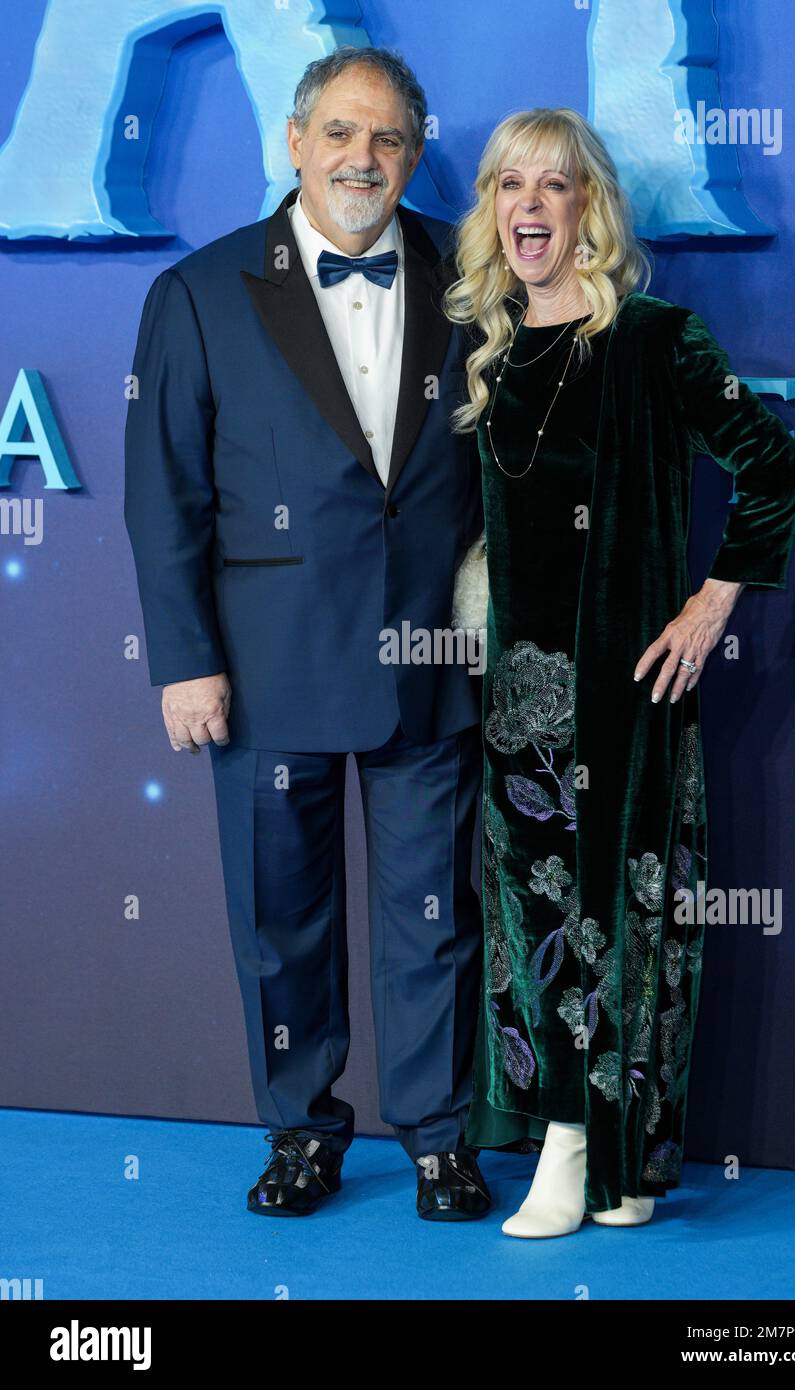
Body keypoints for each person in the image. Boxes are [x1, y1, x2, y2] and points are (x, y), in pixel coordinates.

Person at [124, 47, 491, 1222]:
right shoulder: (199, 290)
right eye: (339, 133)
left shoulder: (469, 274)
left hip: (431, 658)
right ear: (294, 143)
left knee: (431, 917)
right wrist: (185, 660)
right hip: (269, 664)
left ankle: (438, 1136)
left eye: (386, 140)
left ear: (415, 154)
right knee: (280, 919)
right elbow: (162, 494)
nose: (360, 160)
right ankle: (301, 1131)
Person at [443, 107, 795, 1237]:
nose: (528, 208)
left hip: (627, 695)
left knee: (617, 921)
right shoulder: (492, 353)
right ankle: (609, 1162)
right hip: (520, 701)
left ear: (587, 208)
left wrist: (711, 598)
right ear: (492, 211)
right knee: (531, 918)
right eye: (510, 185)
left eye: (553, 187)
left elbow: (772, 465)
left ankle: (584, 1150)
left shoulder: (654, 340)